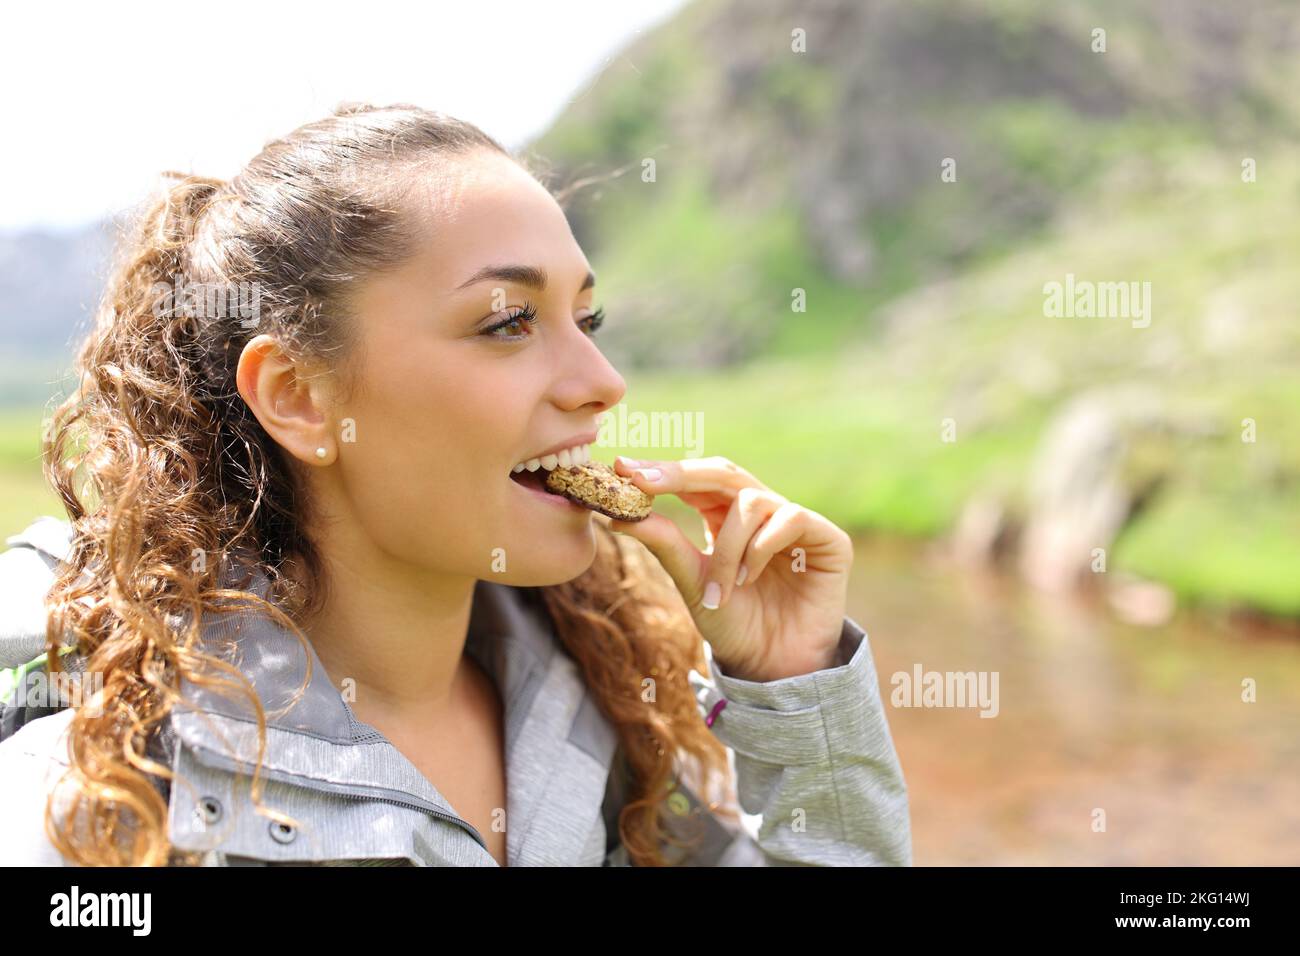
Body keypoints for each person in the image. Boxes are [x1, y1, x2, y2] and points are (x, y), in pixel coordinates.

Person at [0, 102, 911, 867]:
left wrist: (794, 696)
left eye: (587, 317)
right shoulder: (94, 794)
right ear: (299, 399)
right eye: (509, 322)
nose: (603, 380)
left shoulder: (615, 705)